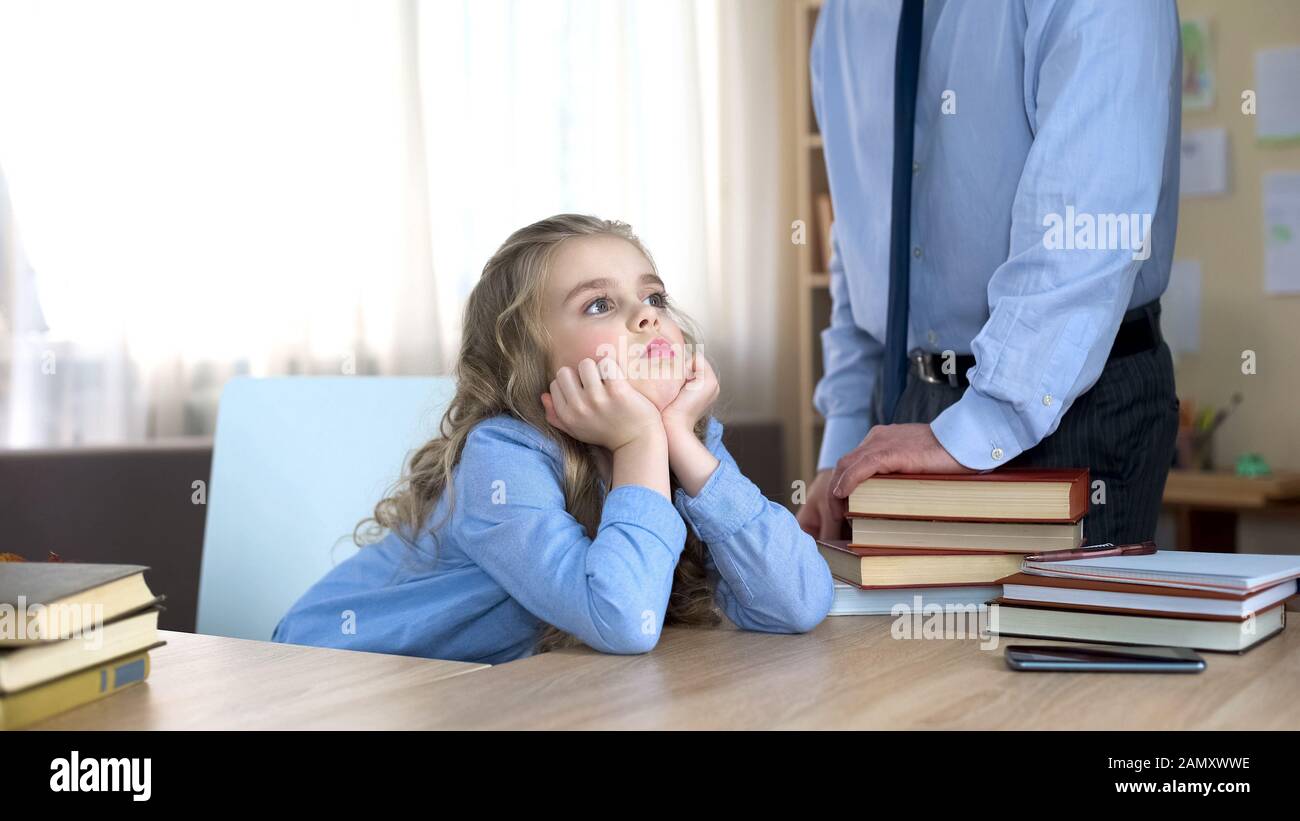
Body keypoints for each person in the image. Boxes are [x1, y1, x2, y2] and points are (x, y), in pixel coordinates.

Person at [273, 214, 833, 663]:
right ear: (531, 359)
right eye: (599, 304)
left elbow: (798, 603)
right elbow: (624, 621)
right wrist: (641, 444)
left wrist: (686, 448)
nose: (647, 318)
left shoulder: (679, 440)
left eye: (654, 297)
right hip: (323, 674)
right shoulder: (503, 455)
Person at [797, 0, 1182, 547]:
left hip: (1073, 403)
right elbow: (861, 240)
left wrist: (978, 430)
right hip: (906, 401)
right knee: (901, 635)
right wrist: (844, 440)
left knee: (1055, 635)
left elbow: (1087, 223)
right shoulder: (843, 17)